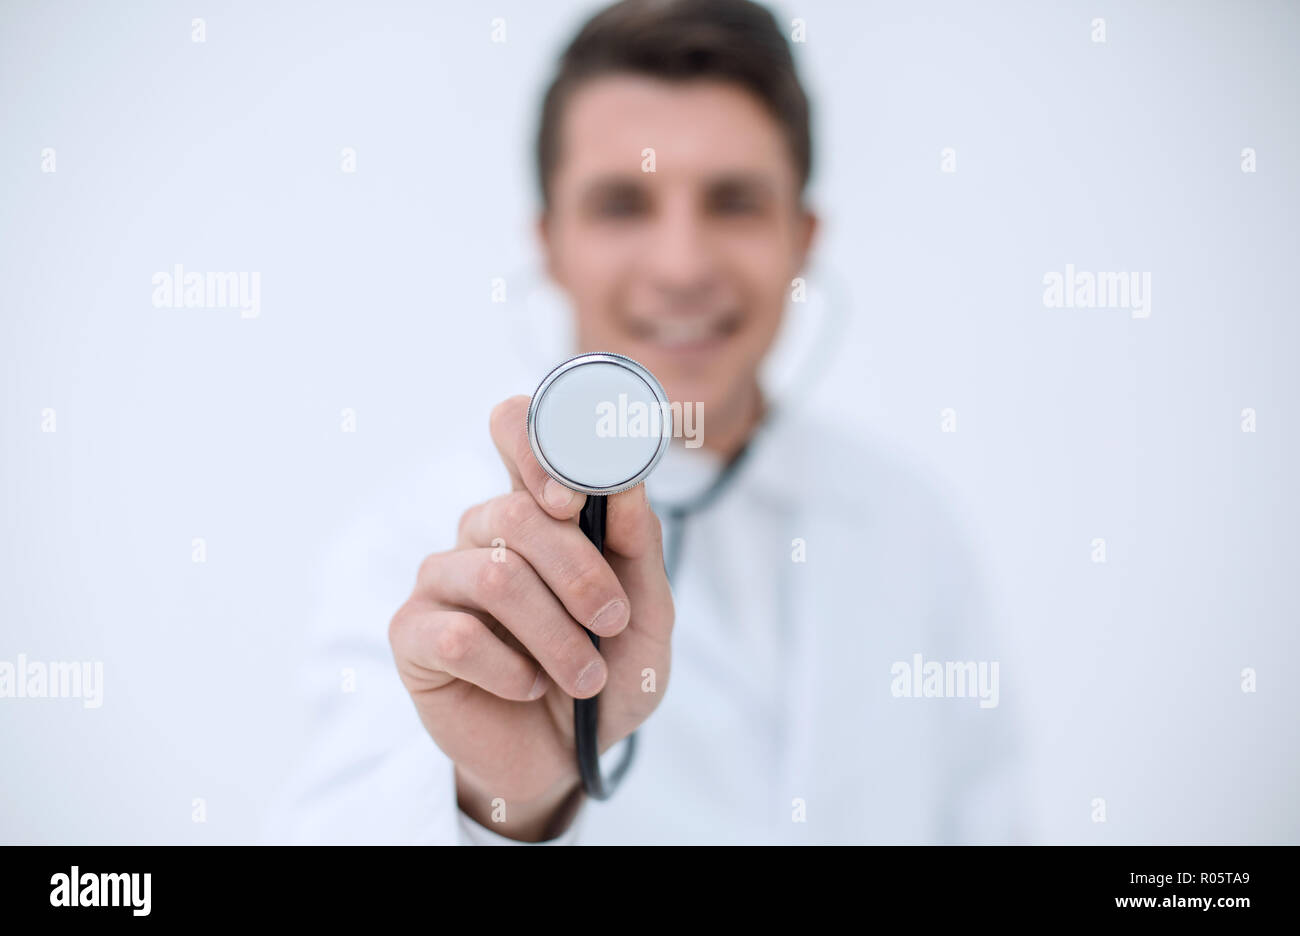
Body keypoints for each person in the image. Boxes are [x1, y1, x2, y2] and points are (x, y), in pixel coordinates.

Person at [265, 0, 1030, 845]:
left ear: (802, 238)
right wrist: (501, 800)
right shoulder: (418, 550)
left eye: (734, 202)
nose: (682, 266)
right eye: (623, 204)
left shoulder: (912, 528)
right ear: (550, 245)